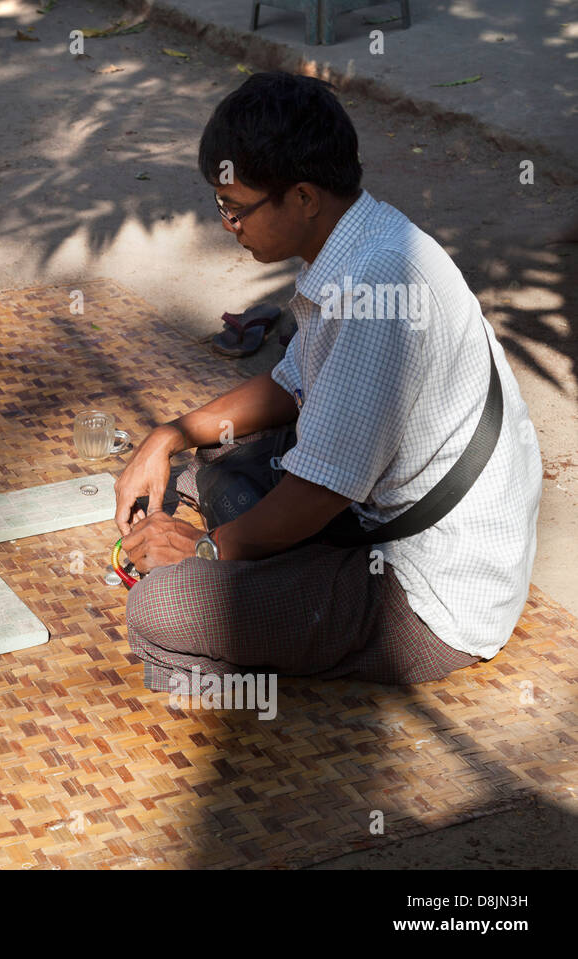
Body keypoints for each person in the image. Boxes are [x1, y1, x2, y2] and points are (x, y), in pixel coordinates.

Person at [114, 72, 543, 688]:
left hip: (432, 593)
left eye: (236, 208)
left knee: (166, 605)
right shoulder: (359, 239)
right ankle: (267, 575)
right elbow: (292, 386)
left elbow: (320, 493)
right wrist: (168, 435)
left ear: (305, 197)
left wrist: (204, 554)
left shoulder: (378, 289)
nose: (228, 224)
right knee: (193, 475)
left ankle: (247, 639)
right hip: (375, 516)